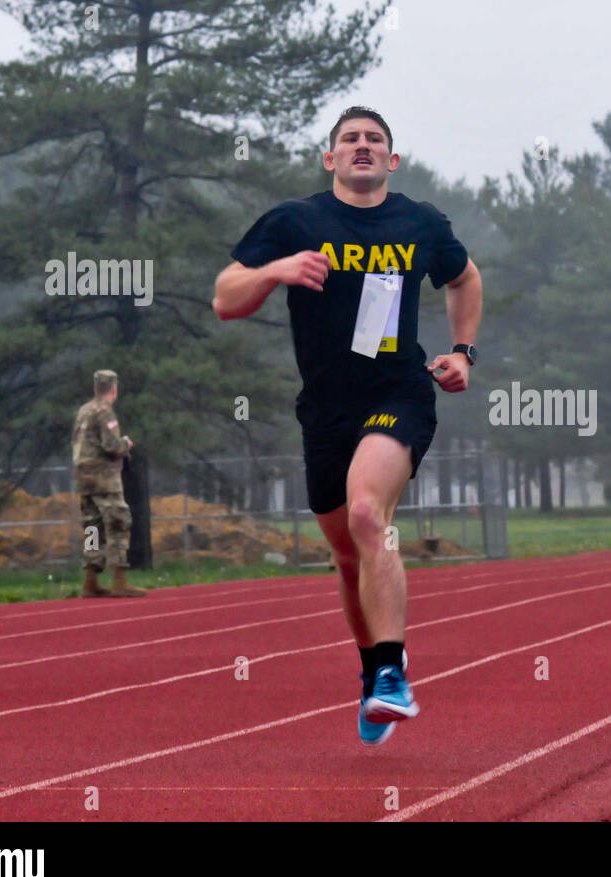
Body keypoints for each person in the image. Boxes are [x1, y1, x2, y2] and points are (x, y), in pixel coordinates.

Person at [212, 106, 482, 746]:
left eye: (375, 140)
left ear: (392, 160)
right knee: (344, 554)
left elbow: (464, 277)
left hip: (399, 393)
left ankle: (393, 674)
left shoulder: (420, 223)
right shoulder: (295, 222)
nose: (362, 146)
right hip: (326, 408)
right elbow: (226, 297)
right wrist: (276, 270)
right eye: (349, 139)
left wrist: (464, 352)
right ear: (330, 159)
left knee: (368, 515)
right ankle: (372, 674)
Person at [72, 369, 146, 598]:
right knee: (118, 523)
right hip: (104, 477)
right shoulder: (105, 413)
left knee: (93, 527)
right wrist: (126, 444)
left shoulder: (84, 411)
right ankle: (119, 579)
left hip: (84, 478)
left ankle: (90, 580)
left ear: (96, 388)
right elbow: (111, 445)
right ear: (114, 389)